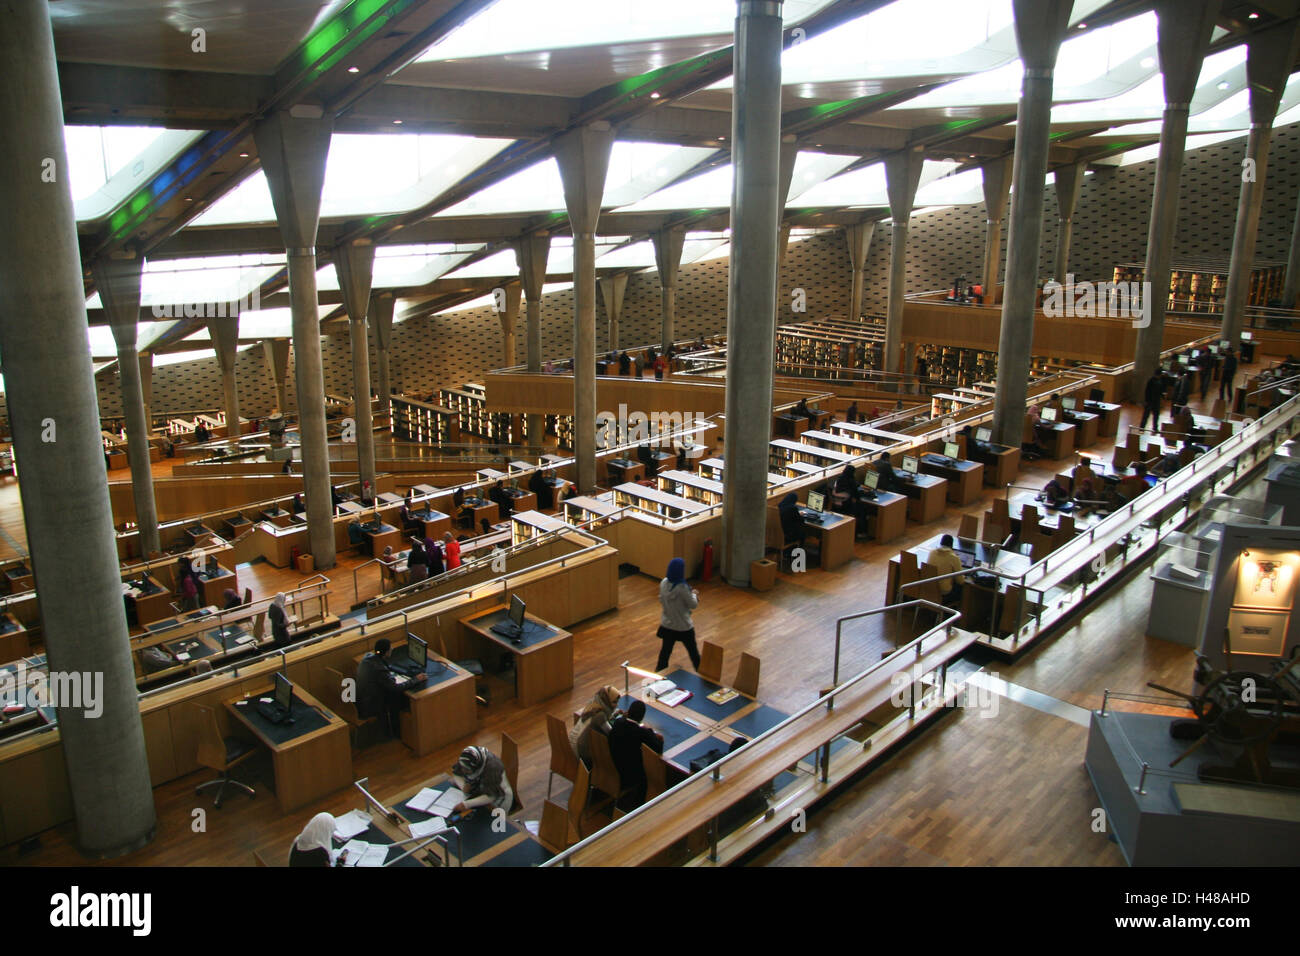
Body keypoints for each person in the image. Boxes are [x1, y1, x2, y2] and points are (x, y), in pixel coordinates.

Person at [357, 637, 426, 736]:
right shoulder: (380, 670)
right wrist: (416, 679)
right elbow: (396, 688)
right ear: (386, 653)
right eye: (390, 649)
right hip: (372, 705)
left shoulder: (367, 658)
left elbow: (384, 670)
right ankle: (396, 732)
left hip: (362, 699)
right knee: (396, 698)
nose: (392, 649)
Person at [607, 699, 663, 810]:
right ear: (642, 717)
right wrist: (653, 733)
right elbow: (658, 747)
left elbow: (619, 720)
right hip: (633, 774)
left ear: (629, 711)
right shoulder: (640, 732)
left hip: (616, 764)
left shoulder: (618, 724)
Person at [656, 557, 700, 671]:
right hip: (684, 626)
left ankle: (657, 676)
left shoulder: (663, 583)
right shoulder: (683, 587)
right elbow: (693, 604)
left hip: (668, 625)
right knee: (694, 654)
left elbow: (661, 599)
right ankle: (704, 677)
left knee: (664, 655)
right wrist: (694, 594)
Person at [569, 685, 623, 766]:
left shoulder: (593, 704)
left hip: (571, 742)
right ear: (606, 700)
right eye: (614, 702)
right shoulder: (600, 716)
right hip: (580, 750)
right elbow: (611, 733)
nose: (617, 705)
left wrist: (615, 714)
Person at [450, 746, 513, 814]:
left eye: (467, 770)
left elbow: (492, 796)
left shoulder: (493, 768)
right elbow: (457, 774)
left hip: (499, 798)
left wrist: (466, 804)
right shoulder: (467, 758)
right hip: (480, 791)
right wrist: (463, 786)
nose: (463, 771)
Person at [927, 534, 965, 603]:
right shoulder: (954, 558)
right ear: (951, 546)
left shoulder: (931, 552)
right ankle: (952, 611)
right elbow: (960, 581)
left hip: (929, 588)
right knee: (961, 588)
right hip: (943, 591)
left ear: (941, 543)